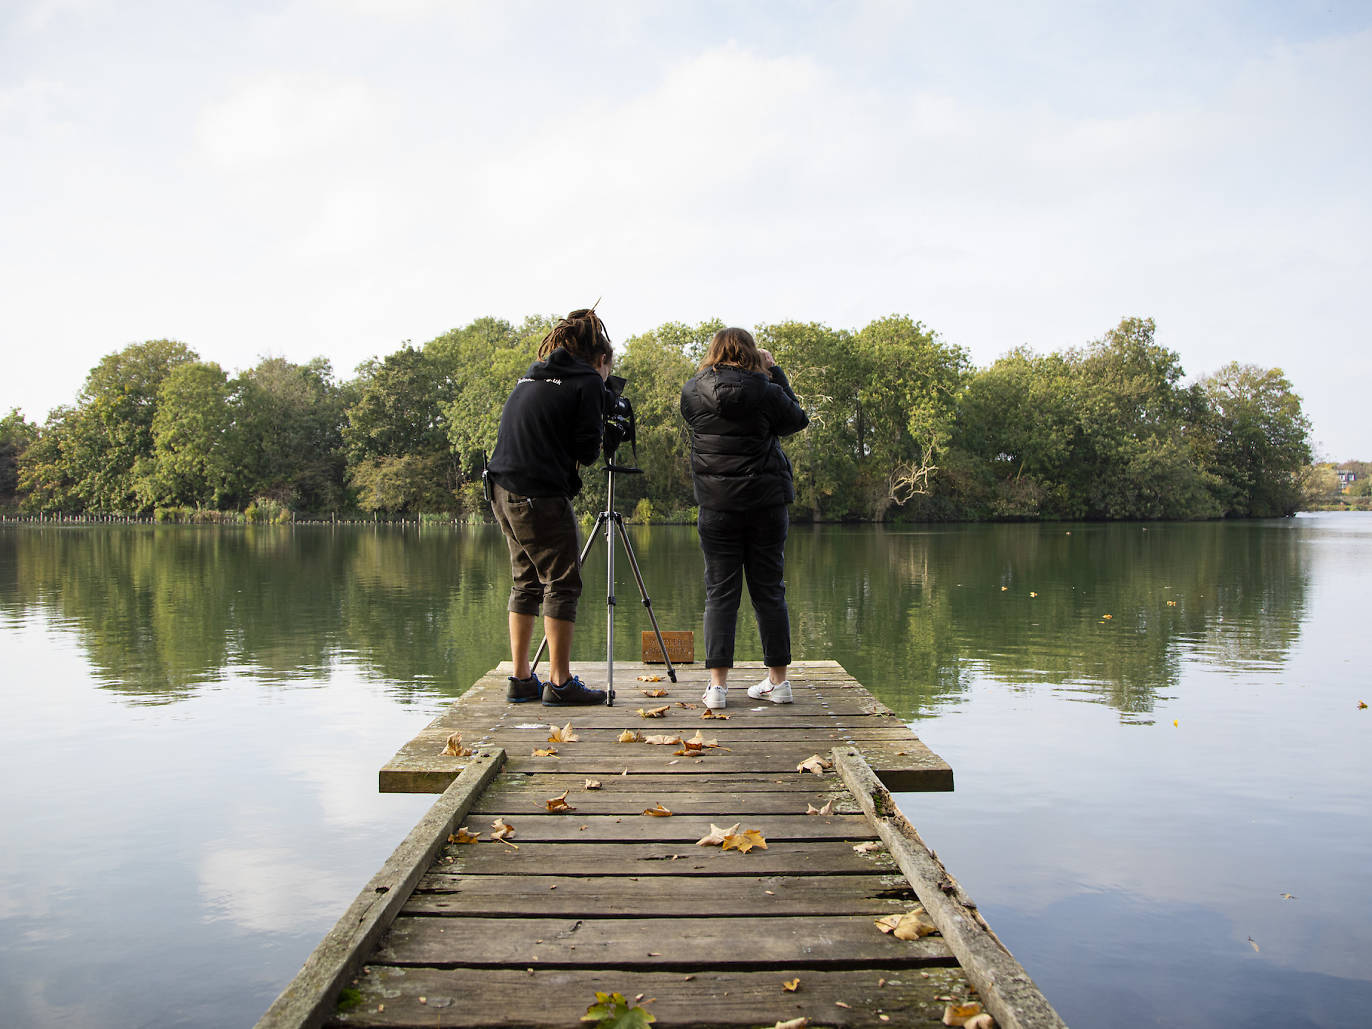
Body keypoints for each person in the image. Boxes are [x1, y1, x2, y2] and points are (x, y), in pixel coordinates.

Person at [487, 308, 613, 706]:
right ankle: (559, 684)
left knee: (526, 582)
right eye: (609, 368)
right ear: (601, 359)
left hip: (500, 487)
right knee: (562, 583)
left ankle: (522, 678)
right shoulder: (589, 380)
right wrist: (600, 408)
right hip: (537, 492)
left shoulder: (535, 372)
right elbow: (587, 452)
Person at [679, 327, 809, 710]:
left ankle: (717, 689)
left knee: (720, 594)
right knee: (769, 591)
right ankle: (779, 683)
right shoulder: (766, 391)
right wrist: (774, 371)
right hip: (766, 506)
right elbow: (795, 420)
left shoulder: (692, 392)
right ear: (752, 354)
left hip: (717, 508)